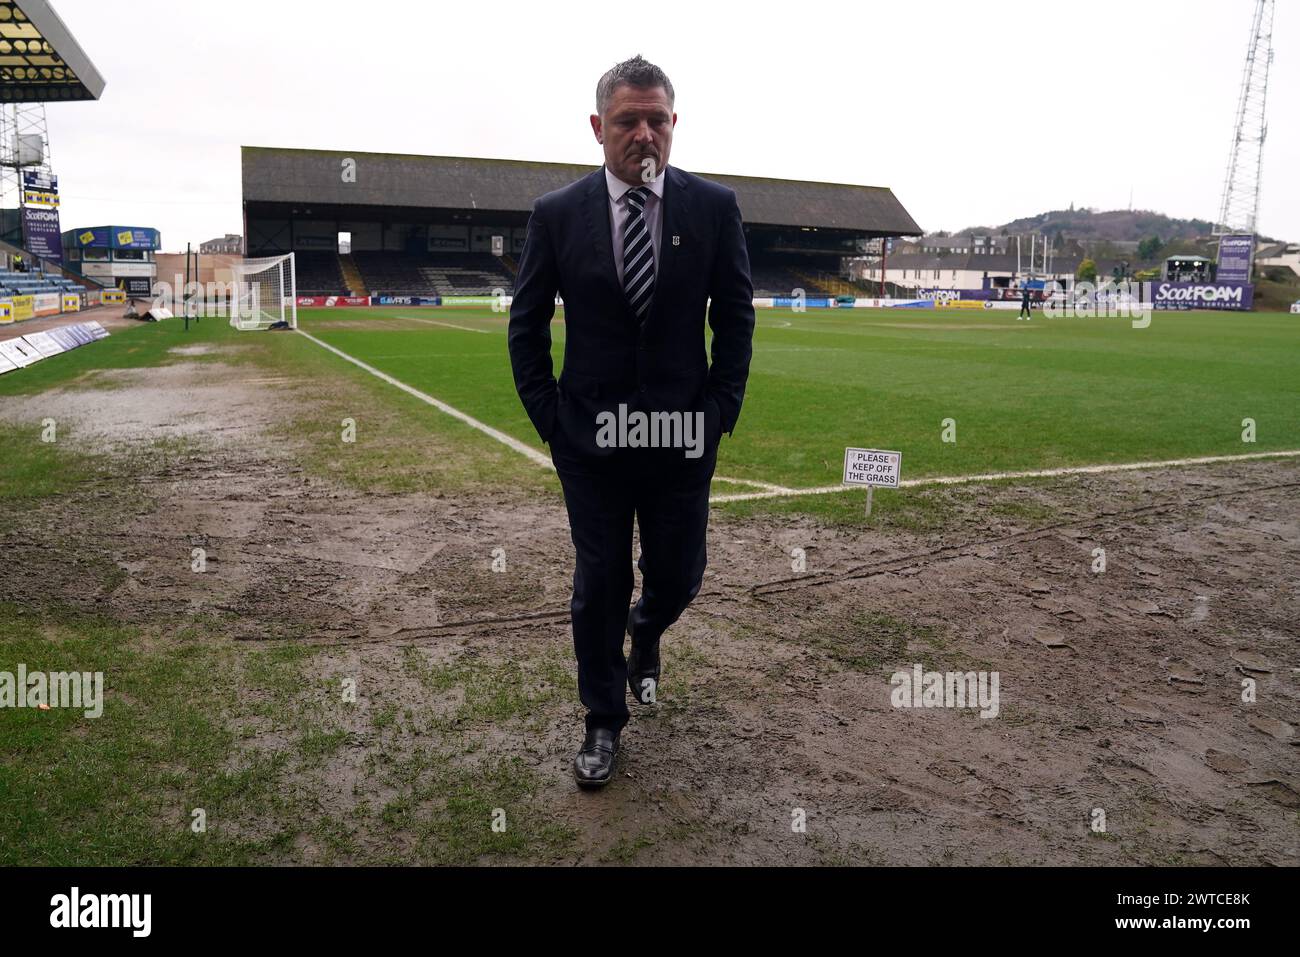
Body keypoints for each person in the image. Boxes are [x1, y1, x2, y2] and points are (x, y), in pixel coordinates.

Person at [508, 55, 755, 789]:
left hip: (682, 437)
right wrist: (552, 421)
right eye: (627, 121)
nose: (643, 134)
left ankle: (648, 630)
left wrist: (719, 413)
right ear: (598, 128)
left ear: (673, 125)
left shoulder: (714, 208)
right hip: (591, 439)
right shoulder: (557, 214)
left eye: (657, 120)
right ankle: (602, 719)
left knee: (680, 575)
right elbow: (527, 326)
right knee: (600, 579)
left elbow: (736, 317)